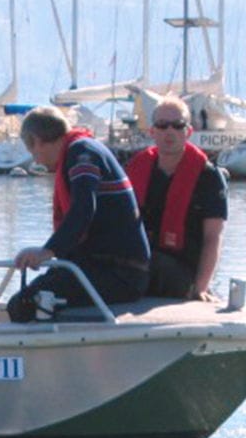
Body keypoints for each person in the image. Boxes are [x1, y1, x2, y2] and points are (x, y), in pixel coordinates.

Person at [8, 106, 150, 323]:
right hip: (105, 266)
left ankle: (47, 354)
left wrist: (48, 250)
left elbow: (83, 209)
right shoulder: (82, 148)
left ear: (37, 140)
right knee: (33, 295)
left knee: (23, 304)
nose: (36, 160)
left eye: (32, 151)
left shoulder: (82, 153)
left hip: (120, 273)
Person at [126, 95, 228, 300]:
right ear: (152, 132)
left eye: (177, 125)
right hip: (139, 263)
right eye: (162, 125)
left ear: (188, 132)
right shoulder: (136, 169)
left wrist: (200, 288)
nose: (169, 132)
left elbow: (212, 237)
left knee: (152, 263)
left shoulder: (209, 177)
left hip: (182, 271)